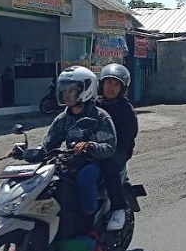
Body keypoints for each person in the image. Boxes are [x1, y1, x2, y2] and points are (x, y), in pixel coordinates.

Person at [40, 66, 117, 230]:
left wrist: (90, 145)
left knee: (85, 176)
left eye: (72, 90)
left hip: (93, 163)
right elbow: (48, 144)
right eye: (64, 89)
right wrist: (24, 151)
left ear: (86, 90)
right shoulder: (62, 118)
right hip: (70, 161)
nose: (66, 94)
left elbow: (109, 147)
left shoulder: (99, 116)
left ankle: (88, 221)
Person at [96, 63, 139, 231]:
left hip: (117, 151)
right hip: (94, 148)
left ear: (122, 89)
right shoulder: (94, 105)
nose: (111, 88)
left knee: (108, 166)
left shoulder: (125, 110)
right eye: (108, 83)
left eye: (116, 84)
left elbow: (127, 138)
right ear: (102, 84)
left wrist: (108, 149)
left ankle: (118, 208)